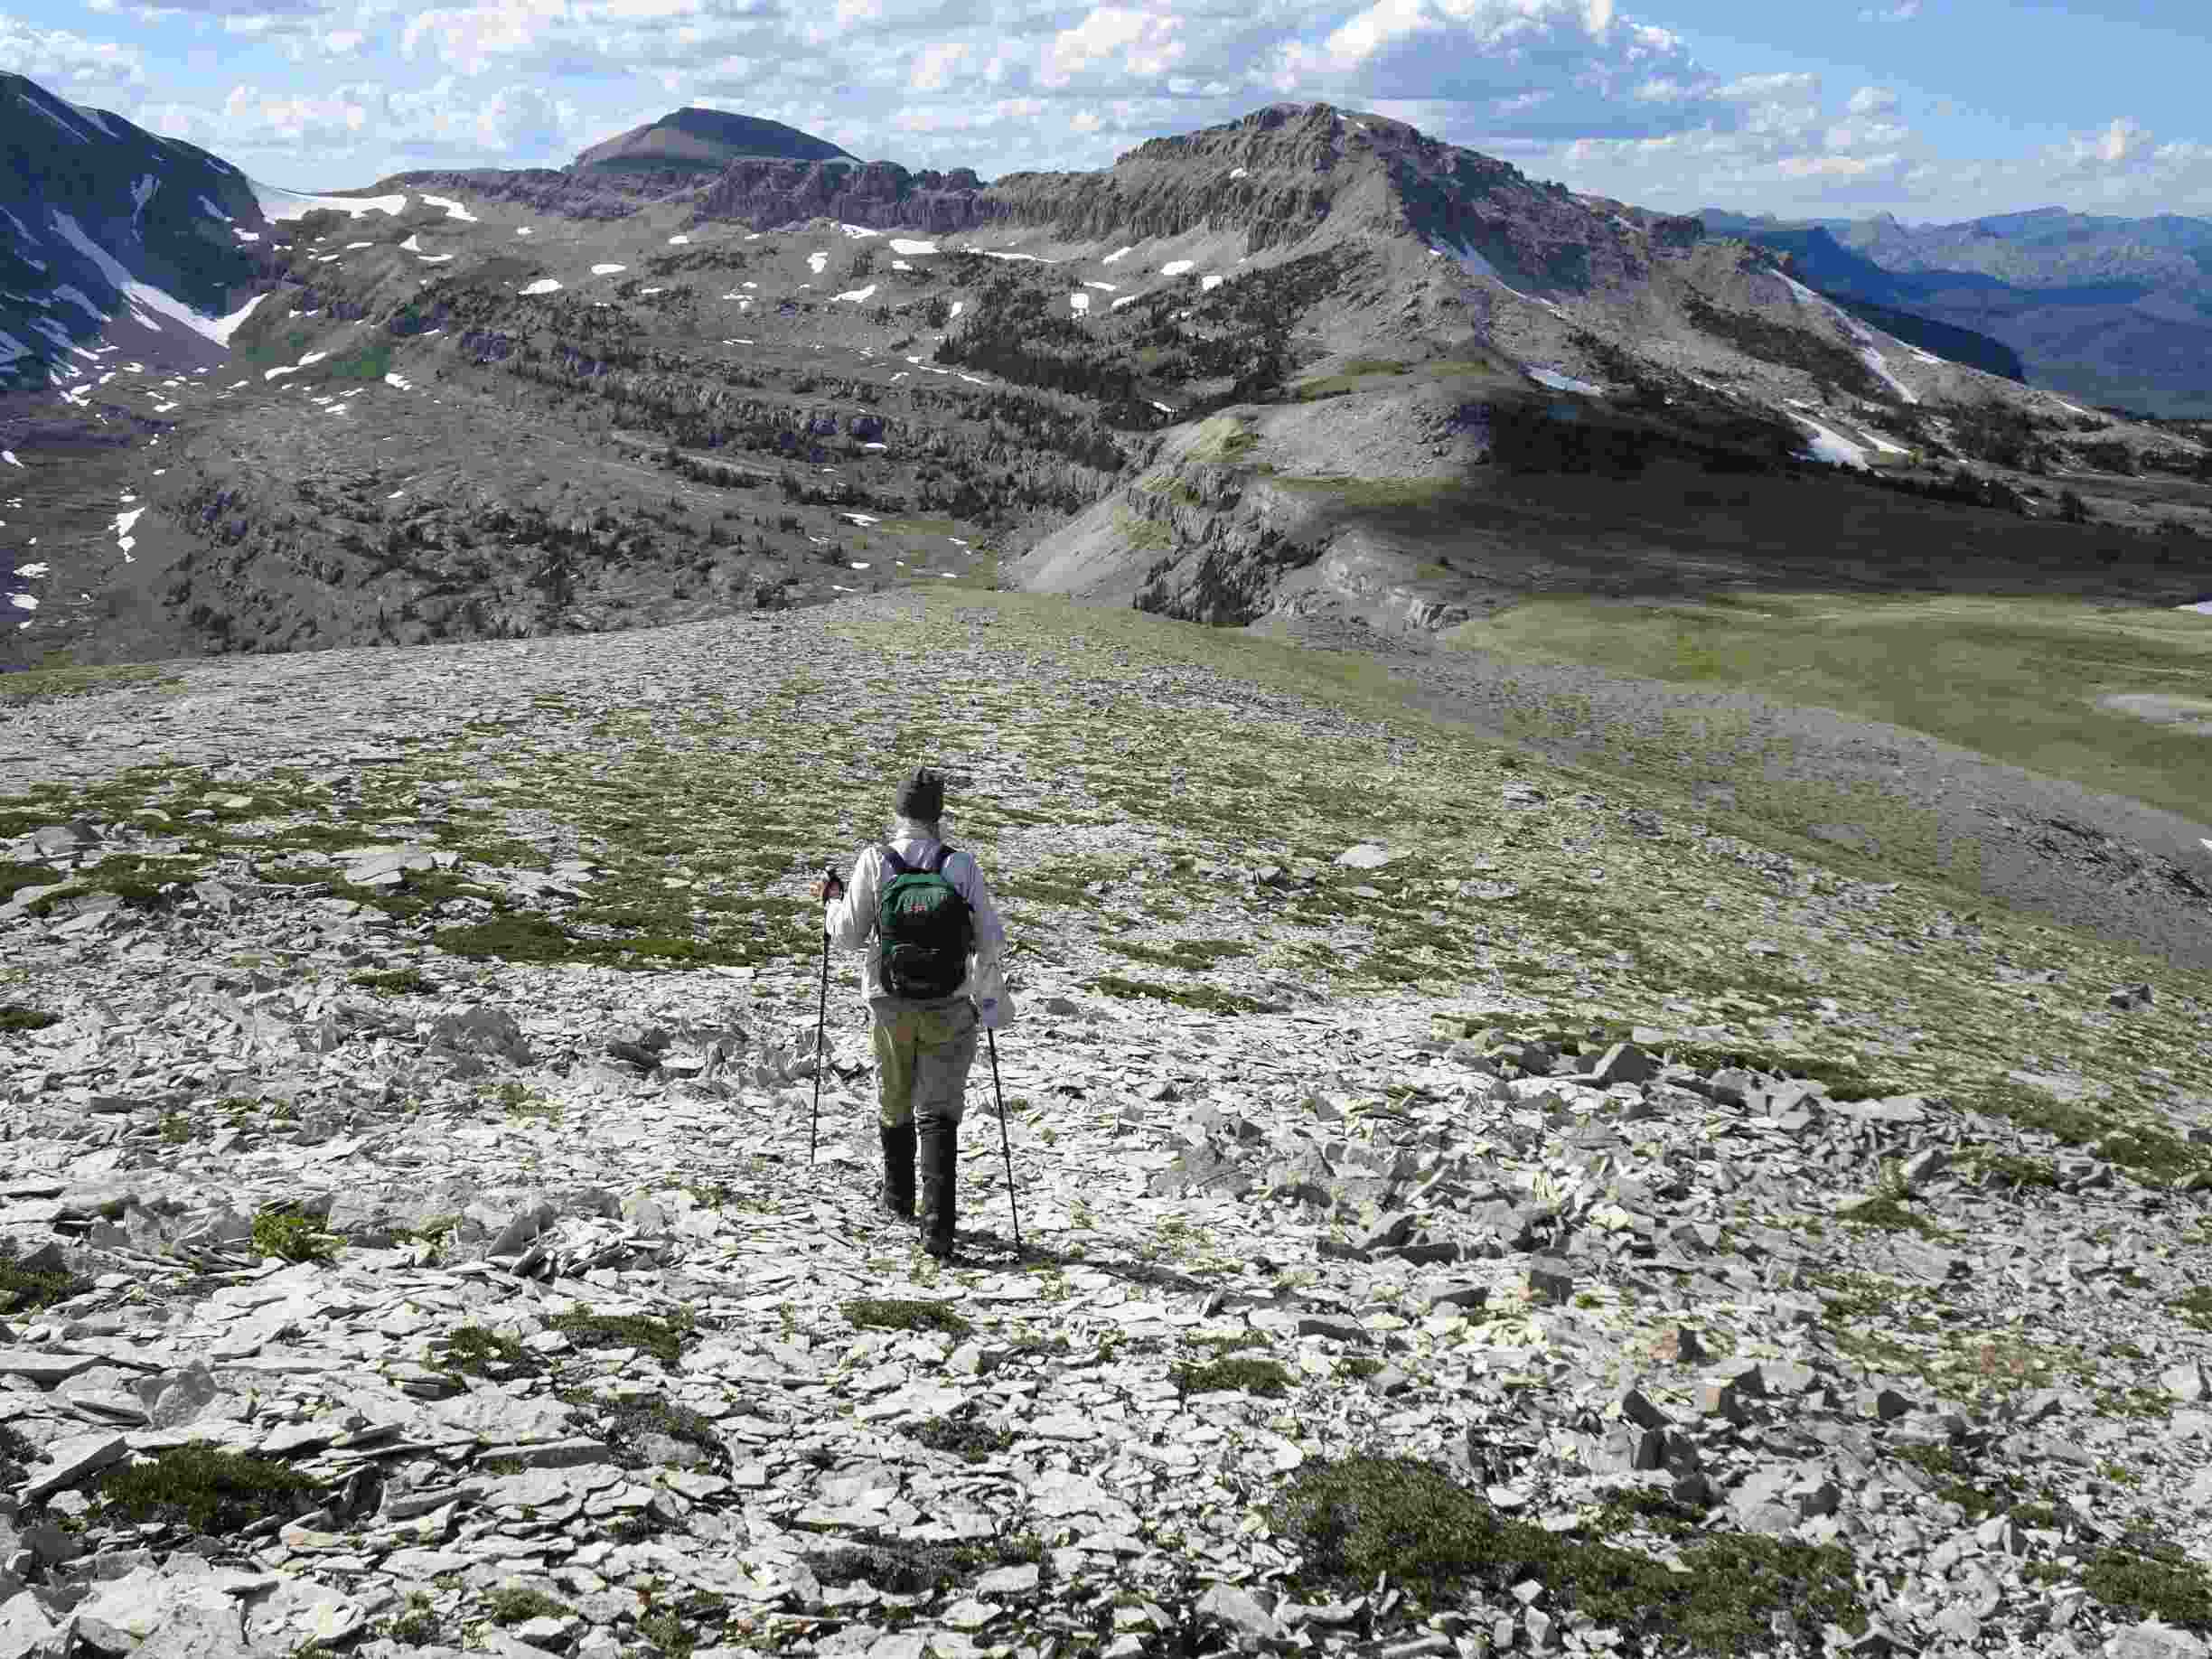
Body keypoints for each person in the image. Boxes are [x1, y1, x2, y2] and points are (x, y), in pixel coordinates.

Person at [815, 767, 1009, 1261]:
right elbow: (990, 940)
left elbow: (850, 936)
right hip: (950, 1003)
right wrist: (988, 998)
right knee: (940, 1109)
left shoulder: (875, 861)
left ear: (897, 812)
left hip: (889, 1000)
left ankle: (897, 1200)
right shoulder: (961, 866)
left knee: (894, 1095)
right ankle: (938, 1228)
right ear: (938, 815)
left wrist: (832, 904)